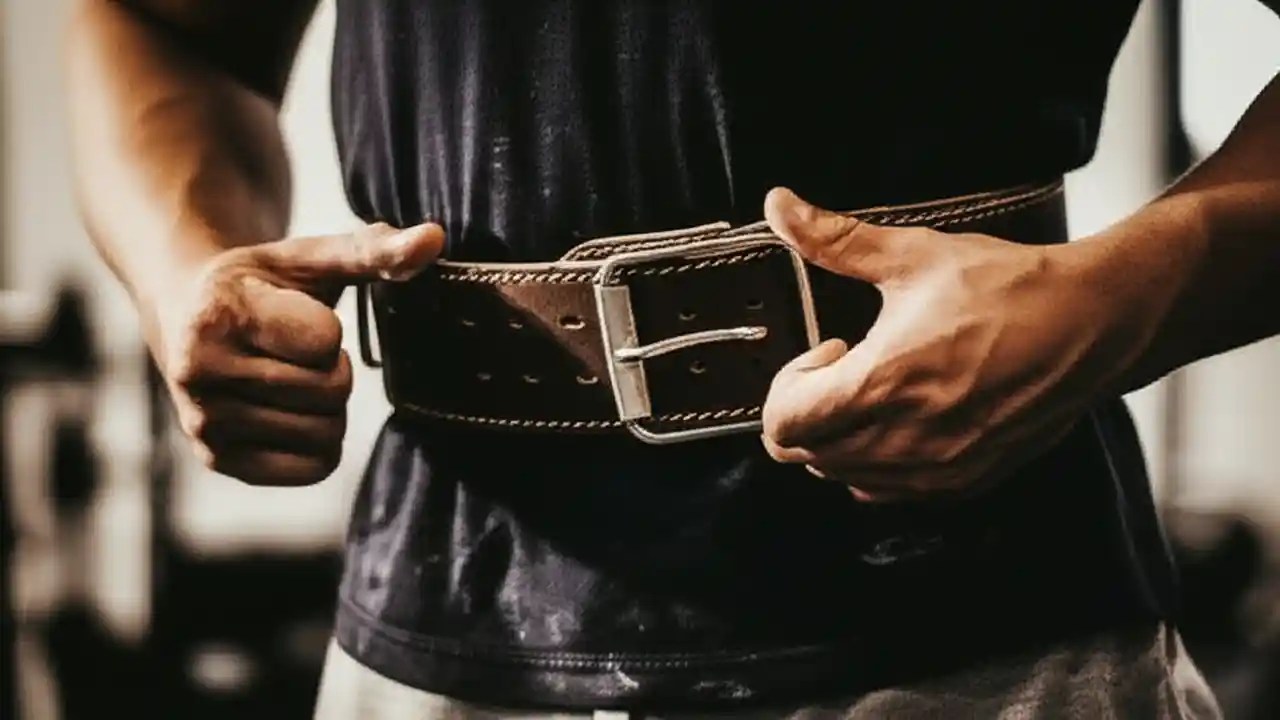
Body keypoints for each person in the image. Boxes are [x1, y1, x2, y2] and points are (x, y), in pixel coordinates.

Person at [66, 1, 1280, 718]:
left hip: (962, 627)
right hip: (431, 626)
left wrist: (1124, 298)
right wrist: (184, 268)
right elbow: (164, 26)